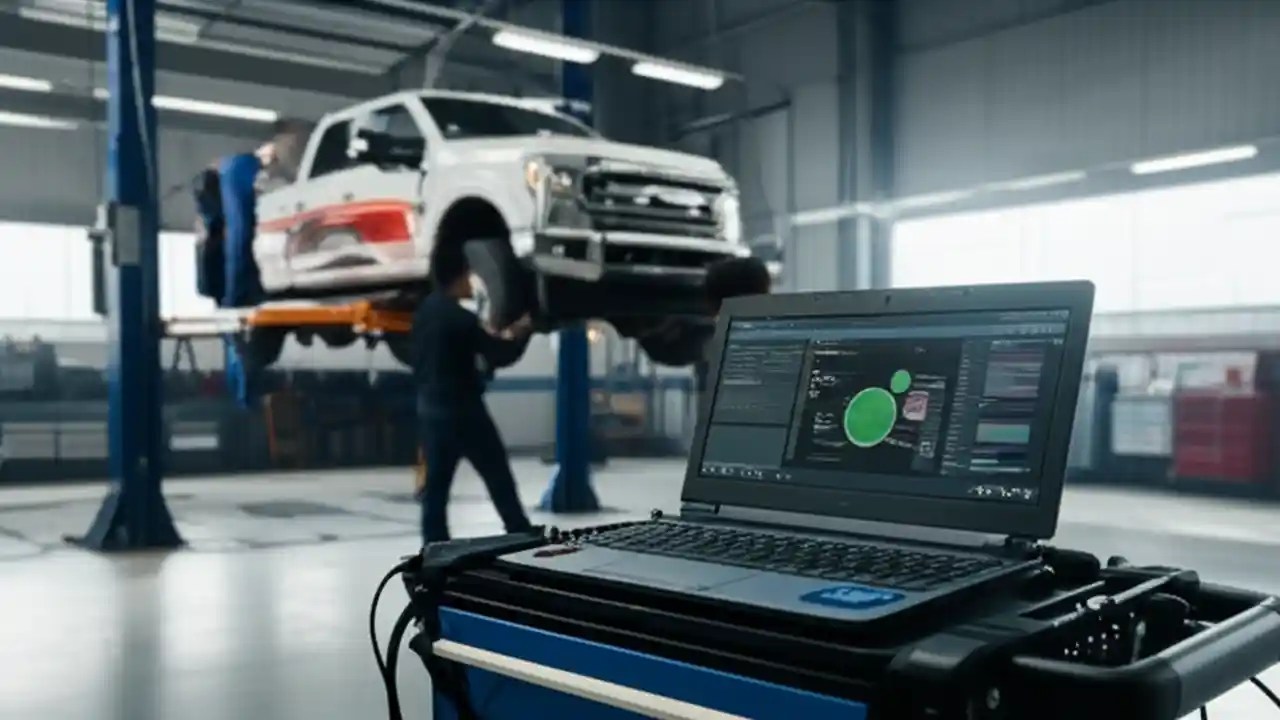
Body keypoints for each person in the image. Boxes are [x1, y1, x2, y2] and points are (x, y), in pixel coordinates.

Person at [411, 249, 535, 543]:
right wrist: (523, 332)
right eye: (469, 276)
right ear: (459, 278)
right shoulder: (461, 319)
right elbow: (499, 354)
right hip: (464, 413)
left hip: (430, 411)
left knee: (436, 488)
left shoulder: (423, 314)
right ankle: (520, 533)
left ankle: (434, 545)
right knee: (497, 475)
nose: (471, 282)